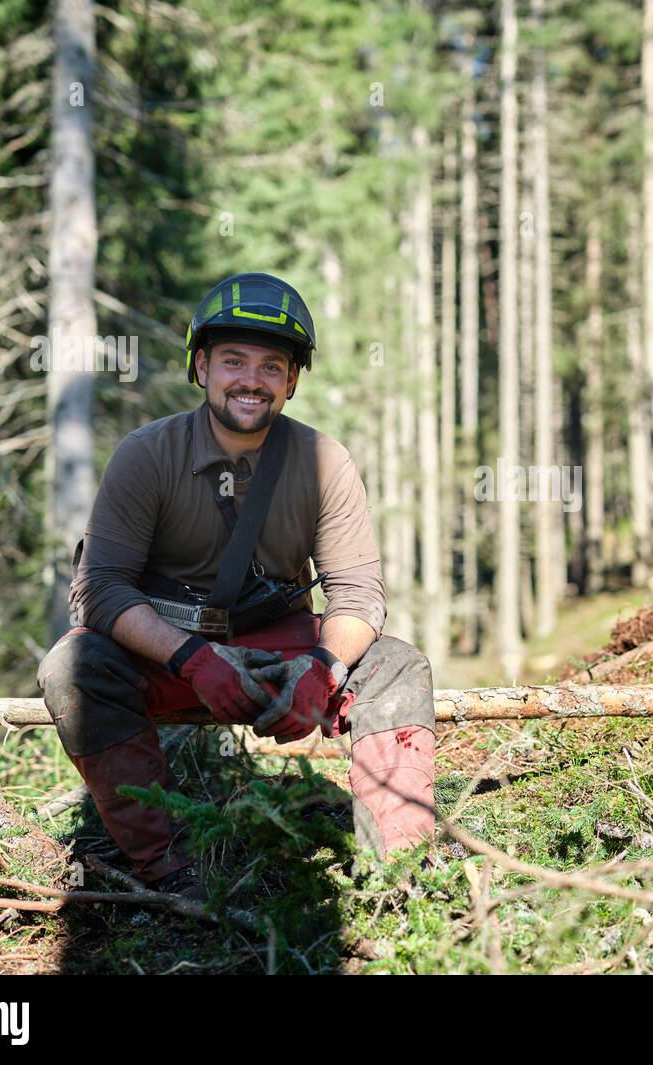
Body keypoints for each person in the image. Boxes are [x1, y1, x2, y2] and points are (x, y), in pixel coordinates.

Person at [36, 272, 435, 901]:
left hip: (288, 653)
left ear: (292, 380)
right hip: (168, 654)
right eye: (233, 361)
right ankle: (173, 870)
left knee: (397, 665)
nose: (251, 379)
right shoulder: (146, 455)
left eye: (271, 366)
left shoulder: (325, 463)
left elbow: (356, 594)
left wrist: (324, 668)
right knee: (72, 667)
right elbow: (102, 589)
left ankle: (398, 875)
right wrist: (193, 659)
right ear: (201, 367)